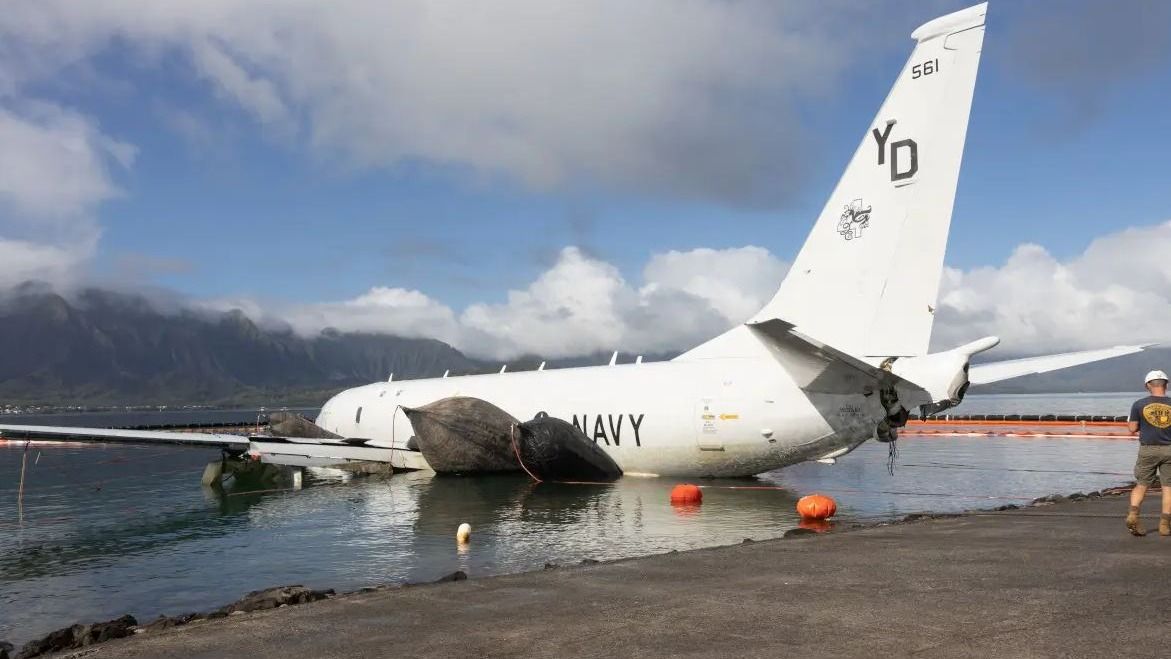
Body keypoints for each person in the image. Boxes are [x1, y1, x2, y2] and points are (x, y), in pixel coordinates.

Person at [1126, 370, 1171, 536]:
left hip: (1148, 449)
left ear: (1147, 386)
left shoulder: (1139, 404)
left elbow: (1132, 429)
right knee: (1168, 487)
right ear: (1166, 385)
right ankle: (1165, 525)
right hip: (1170, 449)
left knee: (1142, 484)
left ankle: (1133, 514)